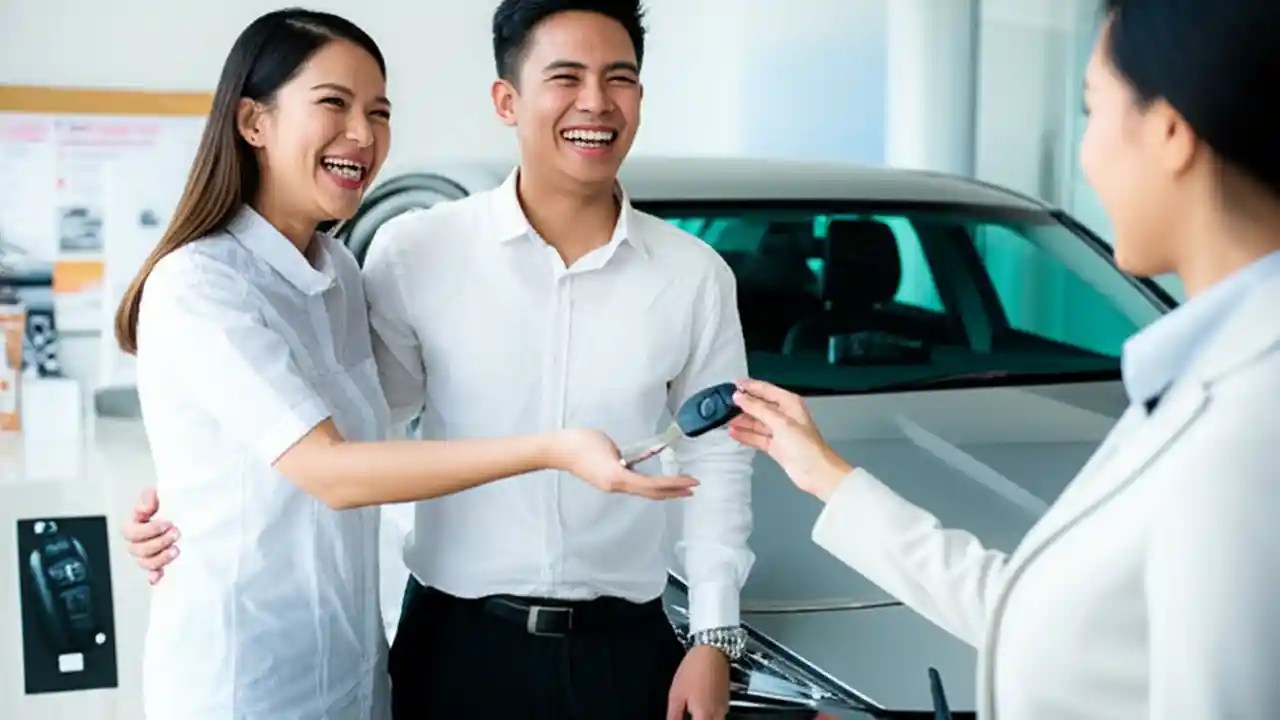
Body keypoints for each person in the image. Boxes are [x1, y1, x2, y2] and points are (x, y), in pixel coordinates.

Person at [115, 8, 697, 719]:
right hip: (246, 678)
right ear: (253, 121)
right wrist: (551, 448)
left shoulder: (337, 272)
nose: (363, 135)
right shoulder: (199, 283)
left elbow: (345, 428)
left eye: (379, 112)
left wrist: (186, 484)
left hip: (355, 673)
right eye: (333, 103)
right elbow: (329, 468)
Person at [728, 1, 1280, 718]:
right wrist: (827, 476)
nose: (1083, 152)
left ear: (1170, 131)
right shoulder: (1210, 379)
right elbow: (1037, 618)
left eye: (1091, 110)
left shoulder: (1248, 426)